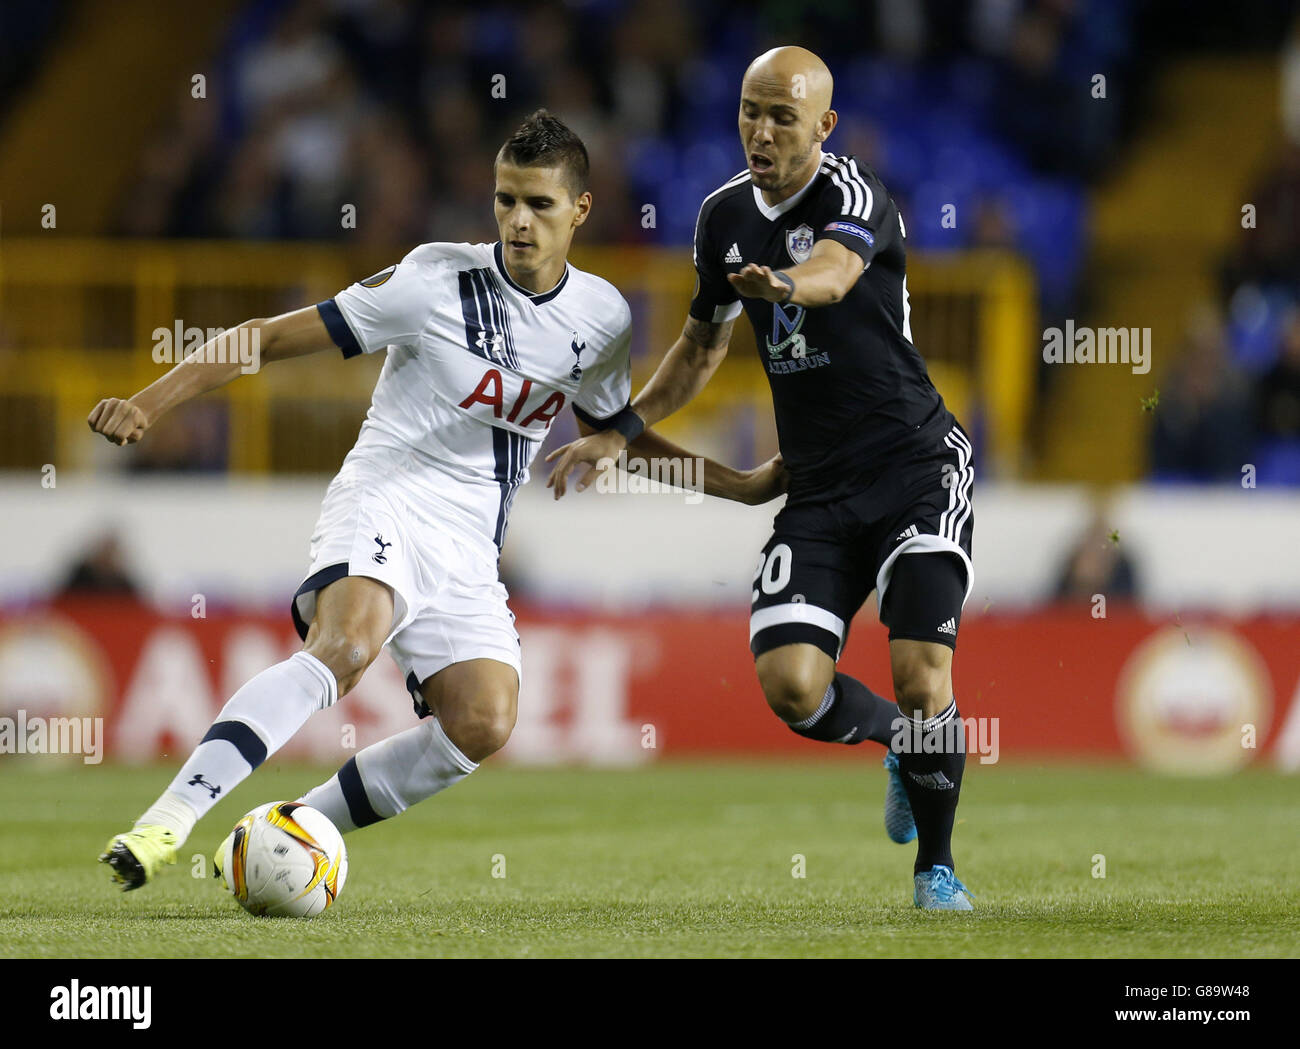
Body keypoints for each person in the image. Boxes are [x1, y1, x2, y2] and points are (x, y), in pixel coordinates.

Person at [90, 110, 782, 891]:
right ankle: (165, 824)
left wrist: (744, 485)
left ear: (580, 210)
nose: (518, 221)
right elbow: (269, 335)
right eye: (505, 200)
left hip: (470, 545)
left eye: (540, 204)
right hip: (387, 496)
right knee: (346, 648)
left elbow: (616, 435)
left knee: (483, 720)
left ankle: (284, 829)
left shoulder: (602, 319)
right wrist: (150, 401)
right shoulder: (433, 279)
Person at [547, 48, 976, 909]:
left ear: (825, 127)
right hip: (814, 485)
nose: (762, 130)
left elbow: (835, 272)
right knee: (792, 688)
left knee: (922, 668)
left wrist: (780, 282)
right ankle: (902, 742)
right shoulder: (721, 218)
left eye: (784, 116)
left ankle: (936, 864)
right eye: (750, 110)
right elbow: (701, 345)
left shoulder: (856, 197)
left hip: (914, 467)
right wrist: (623, 430)